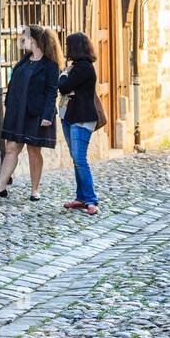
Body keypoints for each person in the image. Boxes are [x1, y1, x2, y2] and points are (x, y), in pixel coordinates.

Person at [0, 24, 60, 201]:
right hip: (18, 112)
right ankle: (0, 186)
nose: (22, 41)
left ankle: (35, 189)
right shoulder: (24, 61)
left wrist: (48, 116)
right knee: (11, 148)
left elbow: (52, 91)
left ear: (33, 40)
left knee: (34, 150)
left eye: (24, 38)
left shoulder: (50, 65)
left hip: (37, 114)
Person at [57, 32, 101, 216]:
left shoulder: (84, 67)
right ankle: (81, 197)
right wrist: (66, 79)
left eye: (68, 45)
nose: (66, 49)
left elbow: (63, 86)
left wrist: (65, 78)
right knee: (76, 158)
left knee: (80, 158)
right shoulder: (75, 67)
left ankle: (90, 199)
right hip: (70, 116)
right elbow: (66, 86)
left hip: (82, 118)